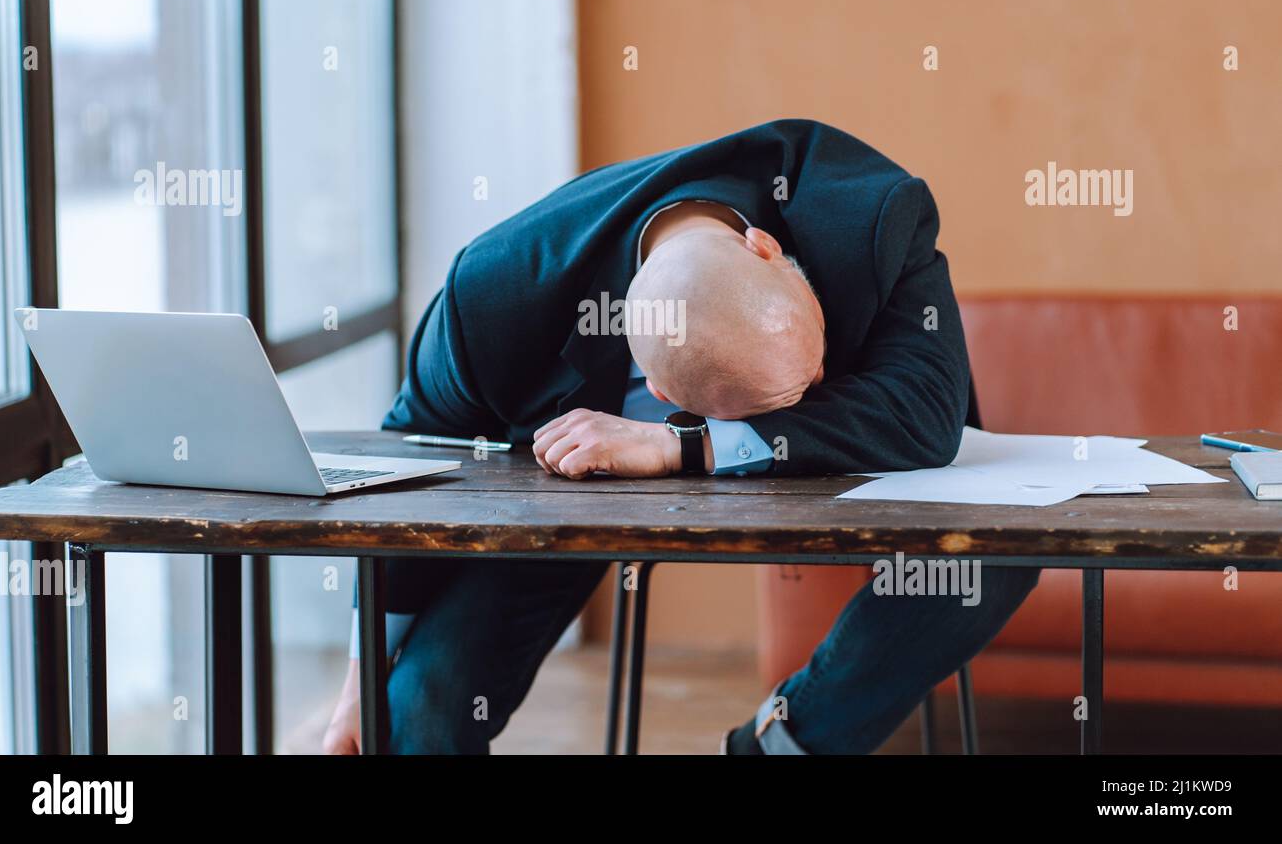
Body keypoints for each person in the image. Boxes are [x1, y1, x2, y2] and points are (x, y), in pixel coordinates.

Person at [323, 119, 1039, 754]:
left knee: (986, 561)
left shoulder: (872, 213)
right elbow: (413, 455)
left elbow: (926, 413)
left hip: (866, 465)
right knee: (414, 717)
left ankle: (781, 745)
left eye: (811, 357)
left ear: (764, 249)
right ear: (657, 387)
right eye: (784, 394)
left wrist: (680, 445)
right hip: (570, 492)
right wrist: (357, 687)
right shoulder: (496, 294)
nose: (821, 383)